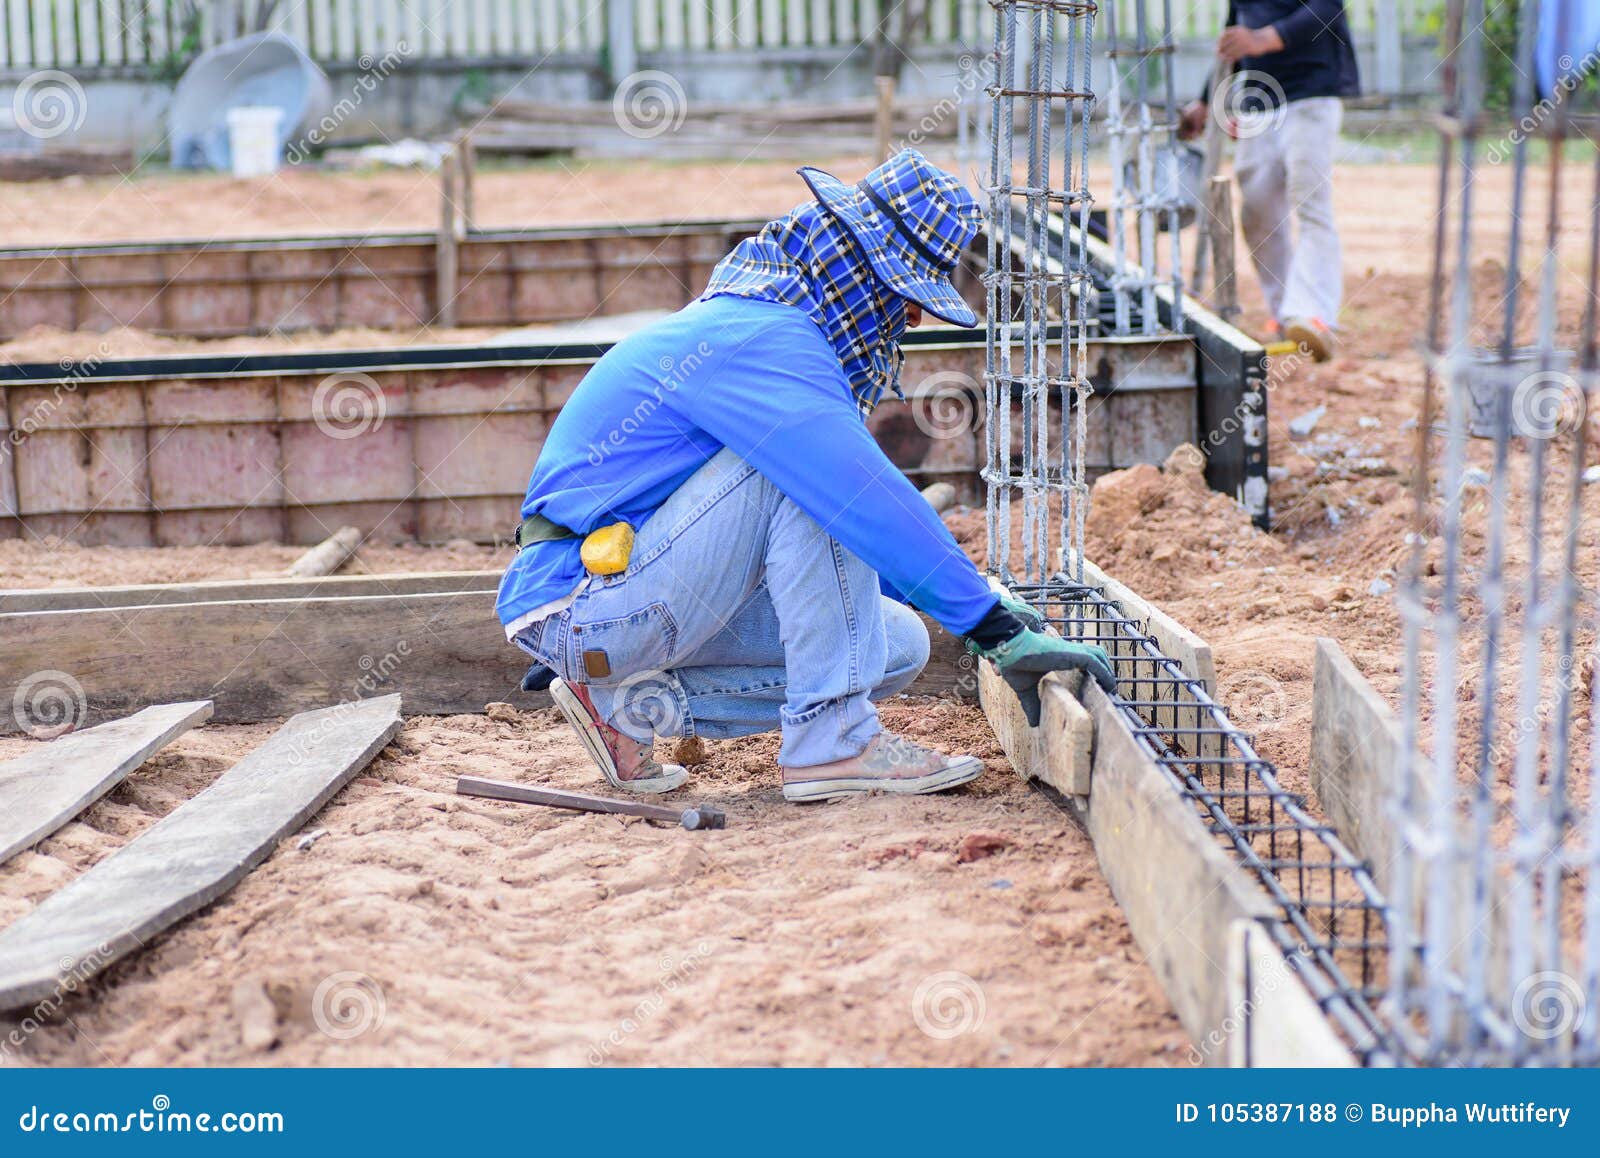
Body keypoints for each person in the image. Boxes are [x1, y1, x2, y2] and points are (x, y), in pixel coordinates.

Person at [496, 149, 1115, 804]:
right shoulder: (763, 336)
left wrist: (959, 600)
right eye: (903, 293)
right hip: (584, 604)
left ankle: (627, 708)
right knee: (807, 475)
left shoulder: (771, 321)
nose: (910, 319)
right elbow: (857, 491)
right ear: (861, 267)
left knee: (893, 642)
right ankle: (835, 742)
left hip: (625, 603)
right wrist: (993, 625)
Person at [1179, 0, 1359, 362]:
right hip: (1261, 101)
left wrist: (1265, 38)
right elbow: (1235, 37)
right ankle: (1284, 313)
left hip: (1312, 93)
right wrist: (1204, 101)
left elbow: (1327, 8)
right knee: (1257, 211)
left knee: (1311, 204)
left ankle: (1314, 314)